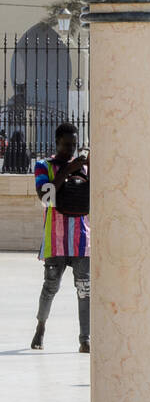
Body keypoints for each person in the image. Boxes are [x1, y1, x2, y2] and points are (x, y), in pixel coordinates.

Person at [31, 122, 90, 352]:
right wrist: (67, 170)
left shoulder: (85, 168)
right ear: (56, 143)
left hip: (81, 240)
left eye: (74, 146)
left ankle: (84, 338)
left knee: (84, 289)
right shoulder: (43, 166)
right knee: (50, 287)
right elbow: (45, 197)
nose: (70, 150)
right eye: (66, 145)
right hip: (55, 238)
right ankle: (41, 326)